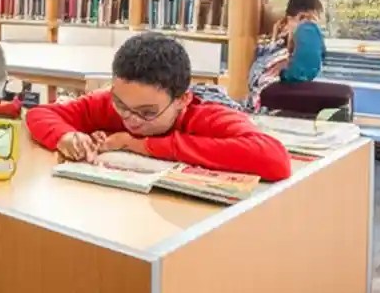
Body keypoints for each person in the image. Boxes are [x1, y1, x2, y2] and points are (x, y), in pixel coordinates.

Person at [26, 32, 291, 181]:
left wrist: (137, 144)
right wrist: (66, 136)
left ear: (181, 100)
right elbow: (41, 113)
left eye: (147, 112)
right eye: (121, 104)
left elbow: (274, 159)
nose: (131, 119)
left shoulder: (207, 116)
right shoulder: (111, 103)